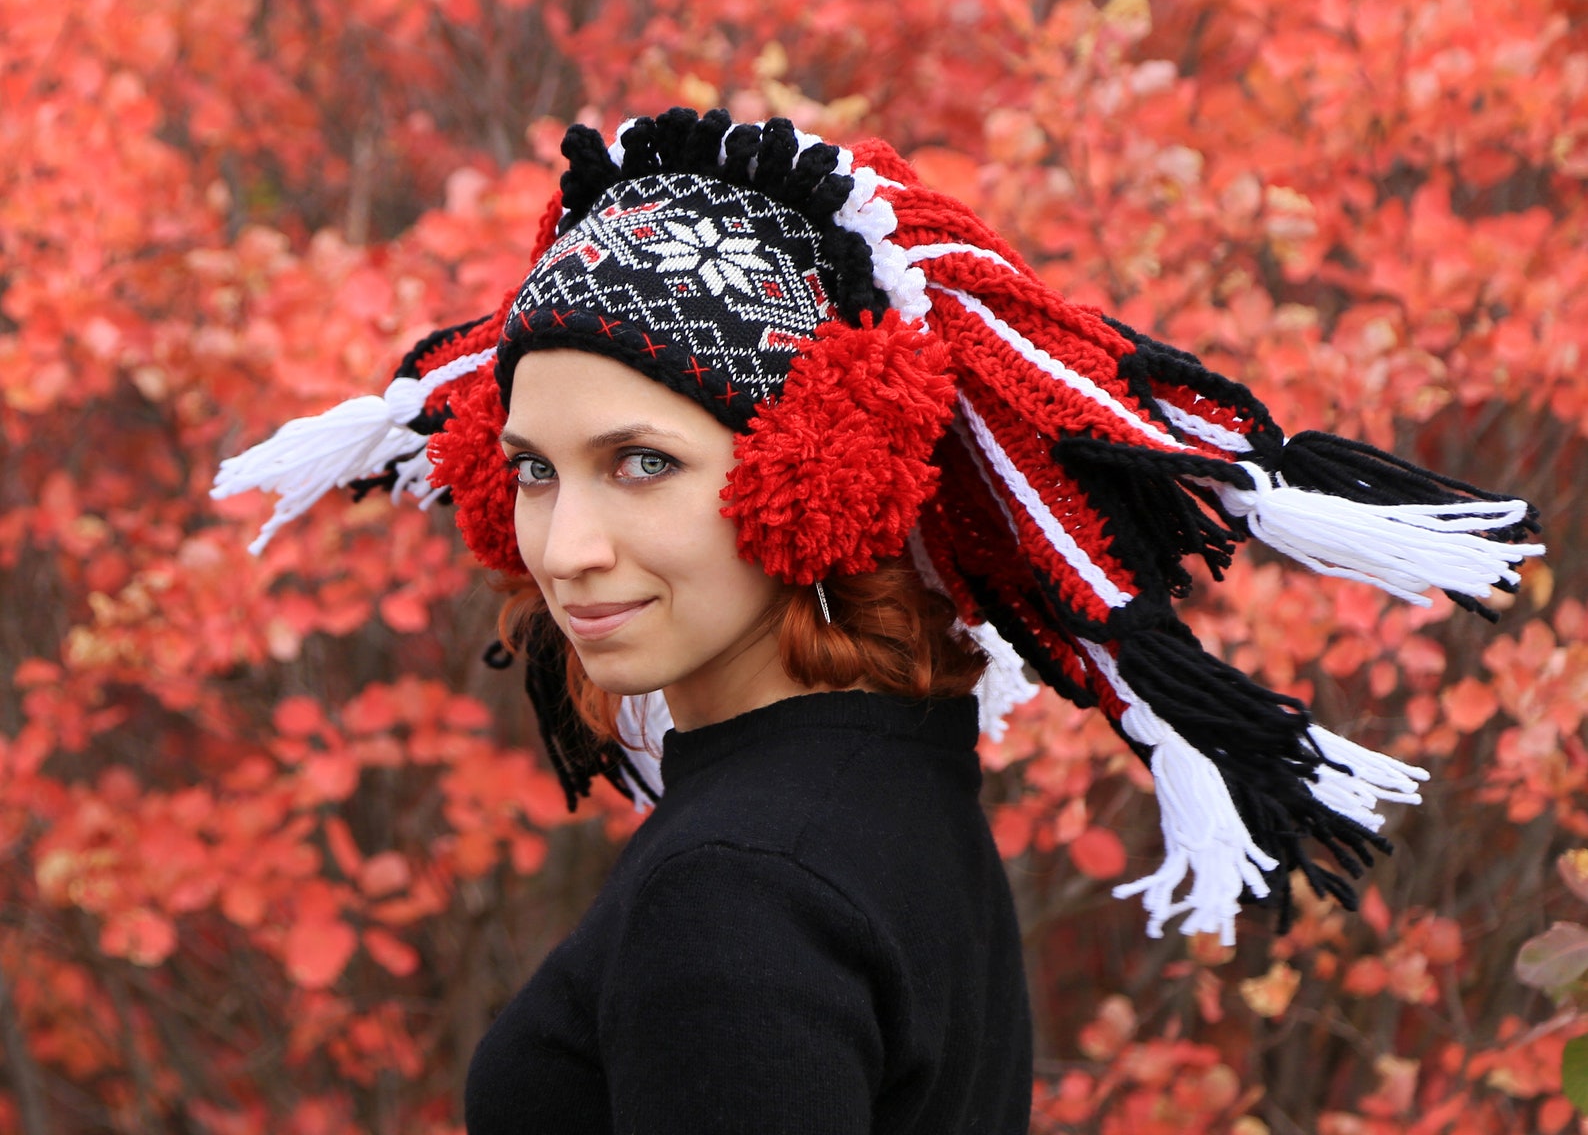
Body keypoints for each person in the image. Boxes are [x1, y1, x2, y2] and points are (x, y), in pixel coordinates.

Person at [213, 107, 1543, 1132]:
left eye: (643, 464)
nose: (564, 550)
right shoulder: (888, 781)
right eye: (536, 472)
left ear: (821, 465)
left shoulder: (738, 891)